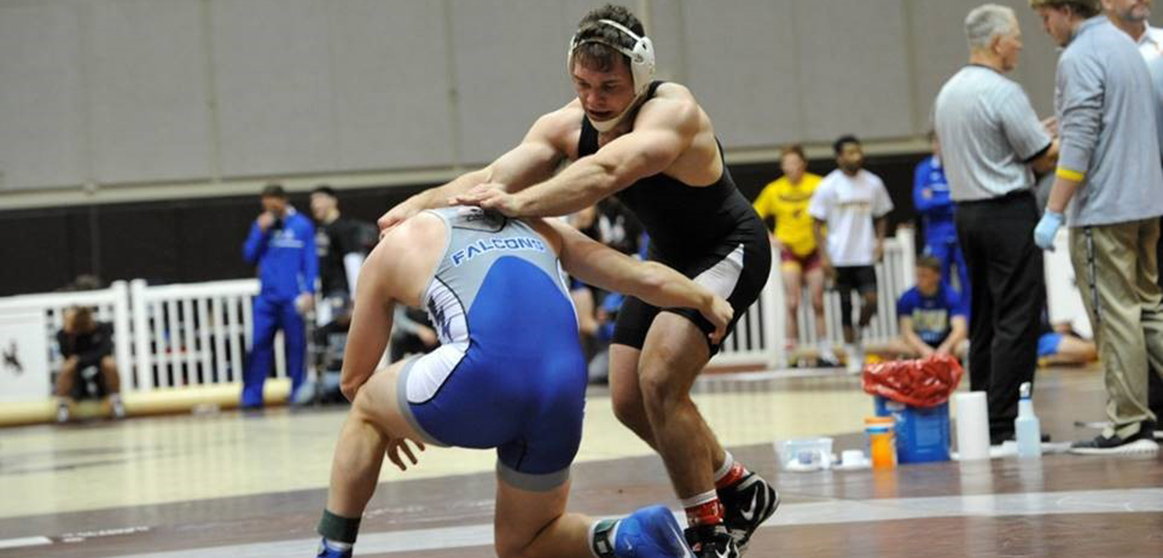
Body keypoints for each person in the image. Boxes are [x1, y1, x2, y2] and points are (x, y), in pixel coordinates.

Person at [378, 6, 777, 556]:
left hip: (727, 247)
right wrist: (419, 205)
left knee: (661, 381)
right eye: (583, 84)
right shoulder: (567, 123)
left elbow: (606, 172)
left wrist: (519, 203)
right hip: (668, 254)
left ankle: (710, 533)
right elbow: (492, 178)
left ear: (639, 77)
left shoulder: (674, 111)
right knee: (628, 398)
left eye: (610, 85)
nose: (595, 99)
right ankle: (738, 486)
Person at [314, 206, 732, 558]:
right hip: (564, 390)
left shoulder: (395, 245)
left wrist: (388, 426)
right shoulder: (536, 224)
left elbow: (354, 382)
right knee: (524, 541)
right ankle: (628, 535)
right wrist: (704, 298)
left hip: (482, 380)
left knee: (367, 408)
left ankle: (332, 551)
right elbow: (637, 276)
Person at [1030, 0, 1163, 454]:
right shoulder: (1128, 46)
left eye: (1044, 18)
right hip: (1147, 201)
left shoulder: (1080, 56)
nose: (1045, 29)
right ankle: (1138, 418)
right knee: (1149, 309)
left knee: (1114, 314)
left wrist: (1053, 210)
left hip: (1105, 209)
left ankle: (1128, 424)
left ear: (1065, 10)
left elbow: (1079, 142)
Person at [933, 3, 1058, 446]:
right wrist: (1071, 138)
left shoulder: (948, 92)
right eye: (1016, 35)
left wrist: (1034, 135)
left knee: (984, 315)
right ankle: (1007, 421)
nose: (1021, 43)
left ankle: (982, 416)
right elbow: (1041, 156)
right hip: (1007, 212)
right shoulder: (1004, 91)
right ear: (995, 41)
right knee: (1018, 317)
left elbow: (983, 148)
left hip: (968, 214)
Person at [1105, 0, 1163, 442]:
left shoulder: (1161, 46)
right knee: (1146, 305)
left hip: (1151, 193)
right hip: (1136, 197)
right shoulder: (1101, 52)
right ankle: (1151, 409)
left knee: (1146, 307)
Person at [809, 135, 894, 374]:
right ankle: (852, 352)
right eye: (850, 153)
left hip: (864, 255)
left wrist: (879, 242)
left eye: (859, 151)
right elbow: (816, 224)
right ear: (839, 157)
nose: (856, 156)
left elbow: (882, 215)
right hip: (839, 257)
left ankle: (858, 331)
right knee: (845, 306)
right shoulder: (828, 186)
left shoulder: (873, 183)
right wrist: (824, 257)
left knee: (872, 301)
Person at [752, 145, 834, 365]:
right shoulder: (774, 189)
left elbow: (833, 211)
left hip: (814, 250)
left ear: (803, 164)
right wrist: (771, 238)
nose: (791, 167)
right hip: (789, 251)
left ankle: (825, 351)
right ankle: (791, 352)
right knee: (792, 301)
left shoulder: (818, 184)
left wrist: (829, 239)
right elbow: (754, 214)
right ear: (782, 166)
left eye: (795, 162)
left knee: (817, 301)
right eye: (786, 163)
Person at [241, 184, 317, 408]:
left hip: (292, 298)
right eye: (266, 205)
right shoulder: (262, 225)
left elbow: (310, 260)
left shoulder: (302, 225)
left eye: (274, 204)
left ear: (284, 201)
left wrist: (309, 291)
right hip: (266, 299)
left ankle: (298, 394)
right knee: (258, 345)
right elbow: (248, 255)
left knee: (296, 347)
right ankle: (251, 397)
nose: (270, 209)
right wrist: (259, 230)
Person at [913, 132, 969, 296]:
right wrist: (953, 196)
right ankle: (945, 321)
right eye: (937, 142)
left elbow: (968, 198)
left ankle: (968, 320)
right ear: (933, 145)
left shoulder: (963, 167)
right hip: (936, 234)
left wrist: (936, 198)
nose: (942, 147)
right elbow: (921, 204)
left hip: (962, 230)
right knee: (936, 280)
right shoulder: (924, 169)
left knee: (969, 280)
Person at [887, 256, 968, 360]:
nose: (919, 279)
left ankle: (957, 371)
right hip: (918, 345)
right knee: (894, 346)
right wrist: (924, 350)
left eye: (924, 275)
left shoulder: (951, 296)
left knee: (963, 347)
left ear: (937, 276)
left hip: (945, 344)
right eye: (918, 275)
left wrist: (944, 348)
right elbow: (906, 331)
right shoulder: (907, 297)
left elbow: (960, 329)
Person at [54, 306, 124, 422]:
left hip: (99, 369)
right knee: (67, 366)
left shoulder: (102, 328)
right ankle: (63, 405)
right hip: (77, 375)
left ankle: (116, 401)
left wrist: (80, 359)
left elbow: (106, 350)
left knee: (109, 363)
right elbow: (66, 355)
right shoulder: (64, 334)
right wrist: (70, 335)